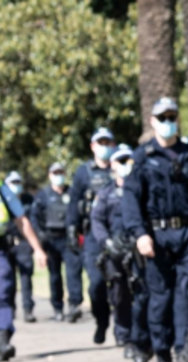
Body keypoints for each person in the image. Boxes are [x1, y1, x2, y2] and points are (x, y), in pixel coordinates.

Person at [121, 96, 188, 362]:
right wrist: (139, 234)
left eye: (171, 117)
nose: (167, 122)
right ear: (152, 122)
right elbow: (130, 200)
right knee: (160, 301)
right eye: (161, 118)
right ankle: (163, 357)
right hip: (157, 236)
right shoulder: (141, 157)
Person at [92, 143, 151, 362]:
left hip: (138, 248)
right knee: (119, 295)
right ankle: (125, 336)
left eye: (129, 160)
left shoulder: (140, 188)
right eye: (121, 161)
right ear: (113, 165)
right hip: (115, 251)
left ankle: (141, 338)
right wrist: (106, 242)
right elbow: (96, 220)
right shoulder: (105, 192)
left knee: (142, 293)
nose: (126, 165)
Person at [67, 126, 116, 335]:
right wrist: (72, 227)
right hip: (93, 236)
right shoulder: (83, 172)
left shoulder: (120, 167)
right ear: (93, 147)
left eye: (108, 143)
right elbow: (74, 203)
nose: (104, 147)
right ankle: (102, 320)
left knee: (120, 284)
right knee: (96, 285)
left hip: (117, 234)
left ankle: (123, 331)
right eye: (100, 143)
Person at [29, 163, 84, 323]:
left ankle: (74, 305)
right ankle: (58, 307)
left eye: (61, 172)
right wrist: (40, 236)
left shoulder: (72, 192)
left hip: (69, 238)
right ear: (49, 175)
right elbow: (34, 216)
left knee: (73, 272)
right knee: (55, 275)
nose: (58, 175)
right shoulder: (43, 194)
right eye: (55, 172)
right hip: (51, 239)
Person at [0, 180, 48, 360]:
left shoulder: (2, 188)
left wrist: (37, 248)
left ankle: (3, 339)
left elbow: (21, 220)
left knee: (3, 290)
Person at [4, 172, 37, 322]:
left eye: (18, 182)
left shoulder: (28, 200)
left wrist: (36, 246)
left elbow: (28, 222)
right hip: (6, 244)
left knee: (26, 276)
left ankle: (28, 309)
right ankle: (9, 312)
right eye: (13, 182)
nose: (16, 185)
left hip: (23, 242)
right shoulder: (4, 197)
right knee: (7, 281)